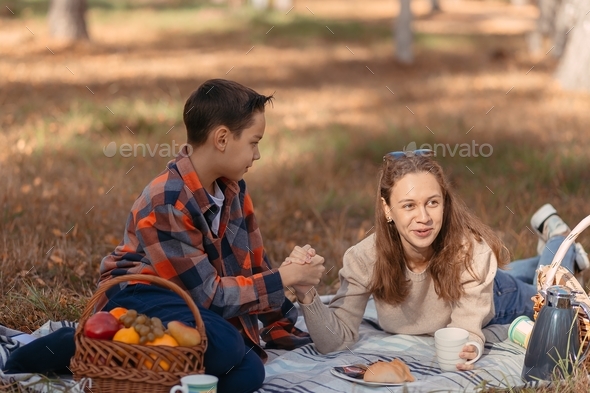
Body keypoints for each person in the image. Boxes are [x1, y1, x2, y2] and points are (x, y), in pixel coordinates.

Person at [3, 79, 325, 393]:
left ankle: (142, 374)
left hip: (188, 304)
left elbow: (253, 263)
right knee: (226, 347)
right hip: (142, 293)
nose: (257, 155)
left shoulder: (235, 190)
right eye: (254, 143)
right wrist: (283, 277)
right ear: (223, 138)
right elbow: (208, 296)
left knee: (249, 370)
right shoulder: (168, 199)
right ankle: (80, 343)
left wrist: (280, 322)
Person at [287, 149, 584, 372]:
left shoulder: (469, 252)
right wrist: (306, 293)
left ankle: (559, 237)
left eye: (433, 202)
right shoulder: (365, 258)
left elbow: (468, 329)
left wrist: (470, 346)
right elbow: (335, 341)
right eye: (408, 205)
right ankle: (540, 255)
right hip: (481, 282)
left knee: (555, 301)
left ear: (444, 201)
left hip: (498, 300)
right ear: (387, 209)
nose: (424, 218)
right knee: (524, 272)